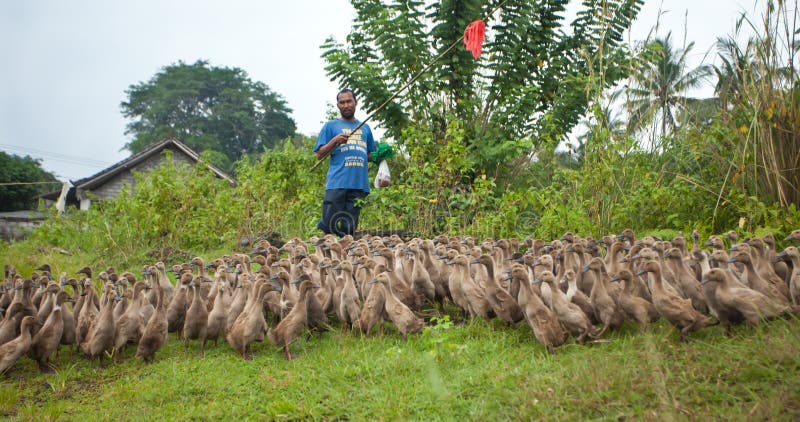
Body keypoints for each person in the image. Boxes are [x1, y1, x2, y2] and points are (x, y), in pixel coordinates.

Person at [314, 89, 376, 237]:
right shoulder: (331, 126)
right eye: (342, 102)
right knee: (328, 227)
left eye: (349, 101)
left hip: (359, 184)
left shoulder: (365, 127)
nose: (346, 105)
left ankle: (345, 257)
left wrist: (381, 155)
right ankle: (324, 257)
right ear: (338, 106)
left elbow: (369, 155)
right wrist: (335, 141)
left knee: (349, 229)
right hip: (337, 182)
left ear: (355, 103)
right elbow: (319, 154)